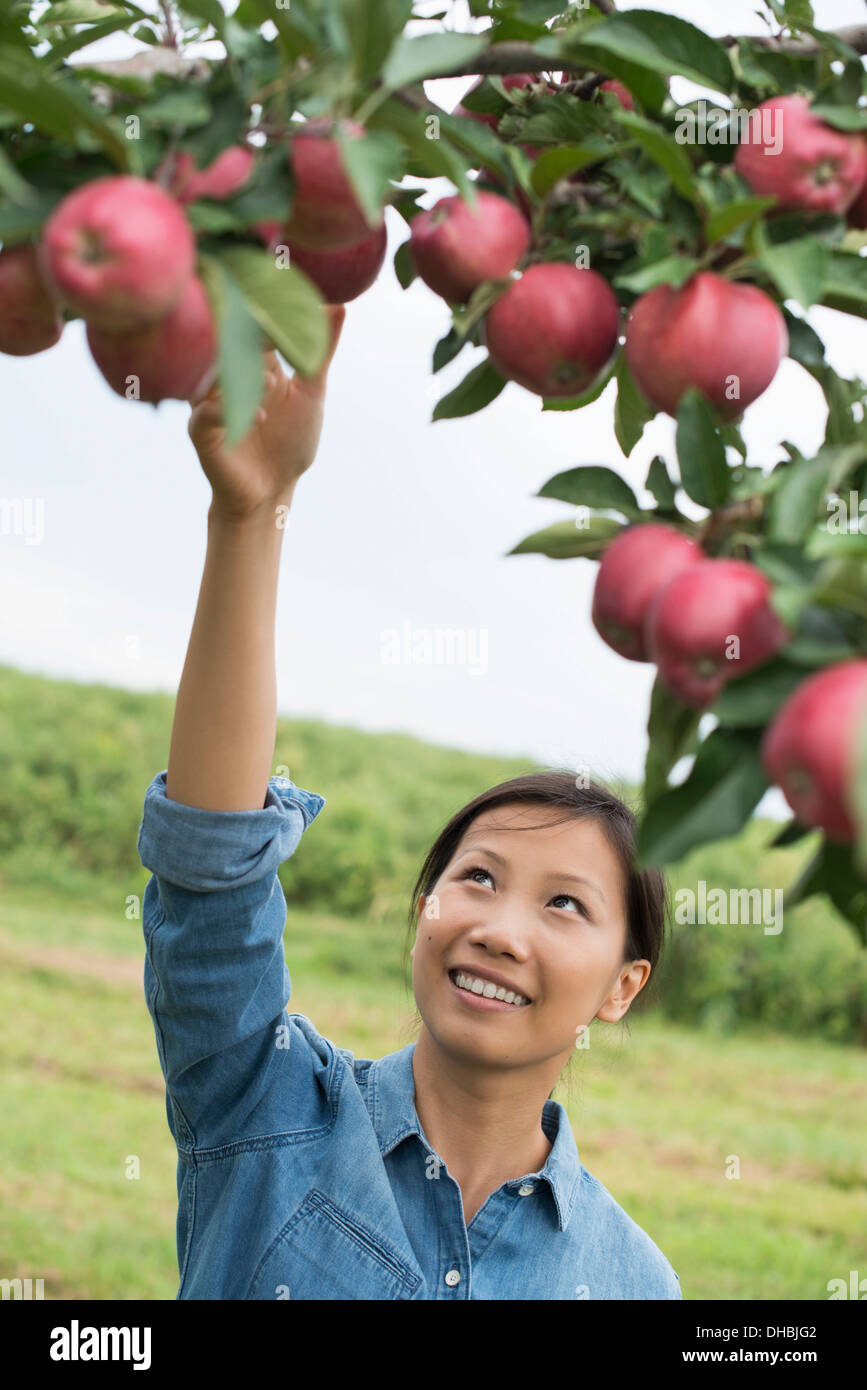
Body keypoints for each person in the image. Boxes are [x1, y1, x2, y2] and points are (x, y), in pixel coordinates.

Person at [137, 304, 682, 1300]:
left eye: (565, 904)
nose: (498, 930)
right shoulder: (267, 1107)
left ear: (623, 985)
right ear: (426, 909)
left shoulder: (633, 1282)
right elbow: (211, 872)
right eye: (474, 879)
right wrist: (251, 513)